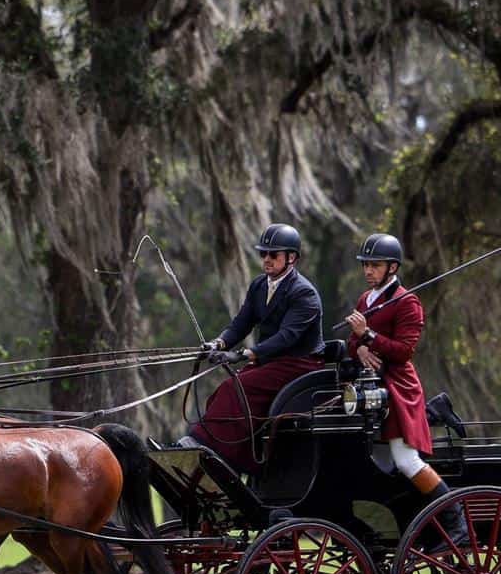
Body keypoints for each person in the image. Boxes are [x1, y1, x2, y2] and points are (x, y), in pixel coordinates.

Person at [345, 233, 467, 547]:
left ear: (392, 267)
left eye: (375, 265)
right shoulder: (364, 300)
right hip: (371, 393)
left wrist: (367, 334)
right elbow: (352, 344)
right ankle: (397, 526)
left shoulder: (408, 302)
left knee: (405, 460)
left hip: (398, 388)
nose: (368, 271)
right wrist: (358, 348)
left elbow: (403, 351)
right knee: (379, 464)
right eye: (366, 265)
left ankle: (457, 522)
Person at [182, 223, 325, 473]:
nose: (266, 259)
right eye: (263, 254)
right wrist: (219, 343)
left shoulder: (304, 294)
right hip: (272, 361)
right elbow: (241, 324)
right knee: (218, 394)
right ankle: (235, 456)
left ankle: (208, 447)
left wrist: (243, 354)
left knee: (234, 388)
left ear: (291, 258)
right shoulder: (259, 285)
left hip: (299, 364)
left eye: (273, 254)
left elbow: (286, 337)